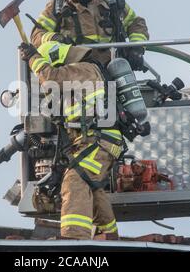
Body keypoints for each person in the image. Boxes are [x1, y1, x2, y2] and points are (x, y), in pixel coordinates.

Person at [20, 41, 123, 240]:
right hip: (97, 141)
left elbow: (52, 77)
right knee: (91, 184)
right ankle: (108, 233)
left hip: (98, 141)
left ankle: (74, 237)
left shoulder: (85, 69)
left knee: (75, 181)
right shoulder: (83, 72)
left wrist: (33, 57)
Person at [31, 0, 149, 70]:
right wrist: (55, 37)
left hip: (114, 67)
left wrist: (136, 49)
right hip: (76, 72)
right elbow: (37, 35)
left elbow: (135, 23)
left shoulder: (111, 2)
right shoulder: (56, 6)